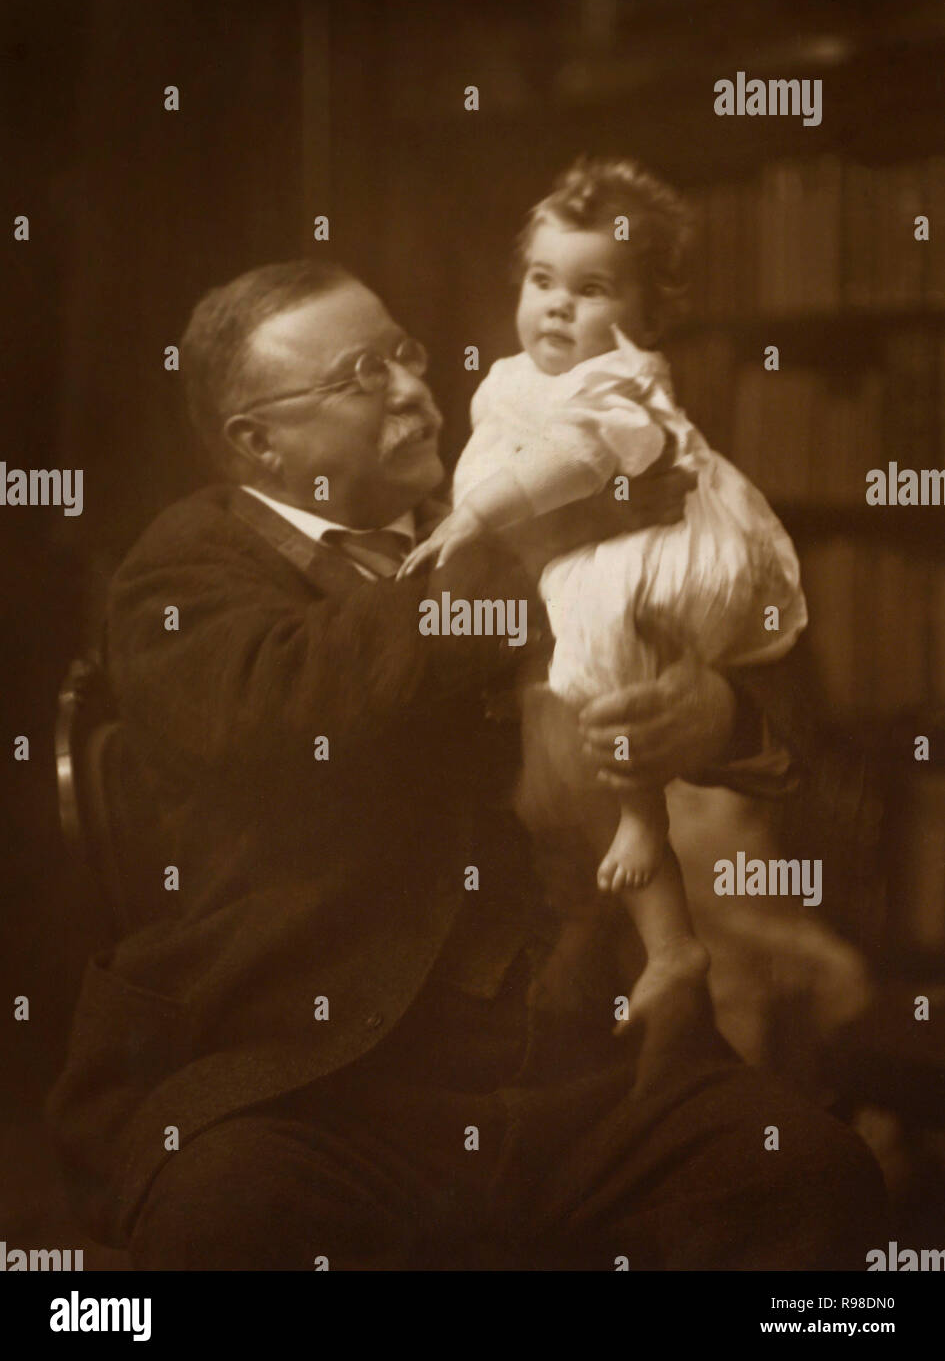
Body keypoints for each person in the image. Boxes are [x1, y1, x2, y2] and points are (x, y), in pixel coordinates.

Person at [47, 259, 887, 1270]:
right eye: (359, 375)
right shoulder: (186, 568)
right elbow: (285, 698)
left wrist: (723, 720)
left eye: (405, 355)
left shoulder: (505, 511)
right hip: (305, 1076)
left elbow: (762, 654)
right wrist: (495, 563)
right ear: (258, 443)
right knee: (227, 1216)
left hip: (574, 1066)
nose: (409, 387)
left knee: (806, 1171)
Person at [401, 159, 808, 1022]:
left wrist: (482, 519)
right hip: (512, 903)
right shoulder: (515, 387)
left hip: (663, 580)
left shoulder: (613, 382)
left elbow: (578, 460)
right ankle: (664, 954)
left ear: (644, 318)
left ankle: (674, 953)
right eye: (542, 280)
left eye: (590, 289)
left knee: (600, 666)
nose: (556, 304)